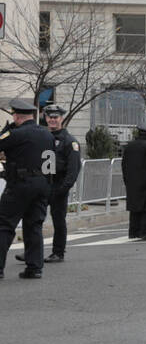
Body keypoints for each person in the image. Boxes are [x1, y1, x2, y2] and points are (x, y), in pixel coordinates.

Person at [0, 99, 55, 280]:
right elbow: (51, 164)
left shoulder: (16, 134)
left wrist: (6, 131)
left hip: (20, 184)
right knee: (34, 226)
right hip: (42, 184)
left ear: (16, 116)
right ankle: (35, 268)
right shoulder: (48, 135)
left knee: (5, 225)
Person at [28, 105, 80, 265]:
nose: (52, 120)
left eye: (55, 117)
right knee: (34, 219)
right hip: (42, 183)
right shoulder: (42, 137)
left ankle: (58, 252)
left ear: (61, 119)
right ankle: (31, 252)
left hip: (58, 185)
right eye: (49, 117)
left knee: (58, 220)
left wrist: (63, 188)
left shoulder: (69, 141)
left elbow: (73, 169)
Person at [121, 123, 146, 239]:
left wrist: (126, 179)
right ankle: (143, 231)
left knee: (134, 208)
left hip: (132, 181)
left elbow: (123, 164)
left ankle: (133, 231)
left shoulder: (130, 146)